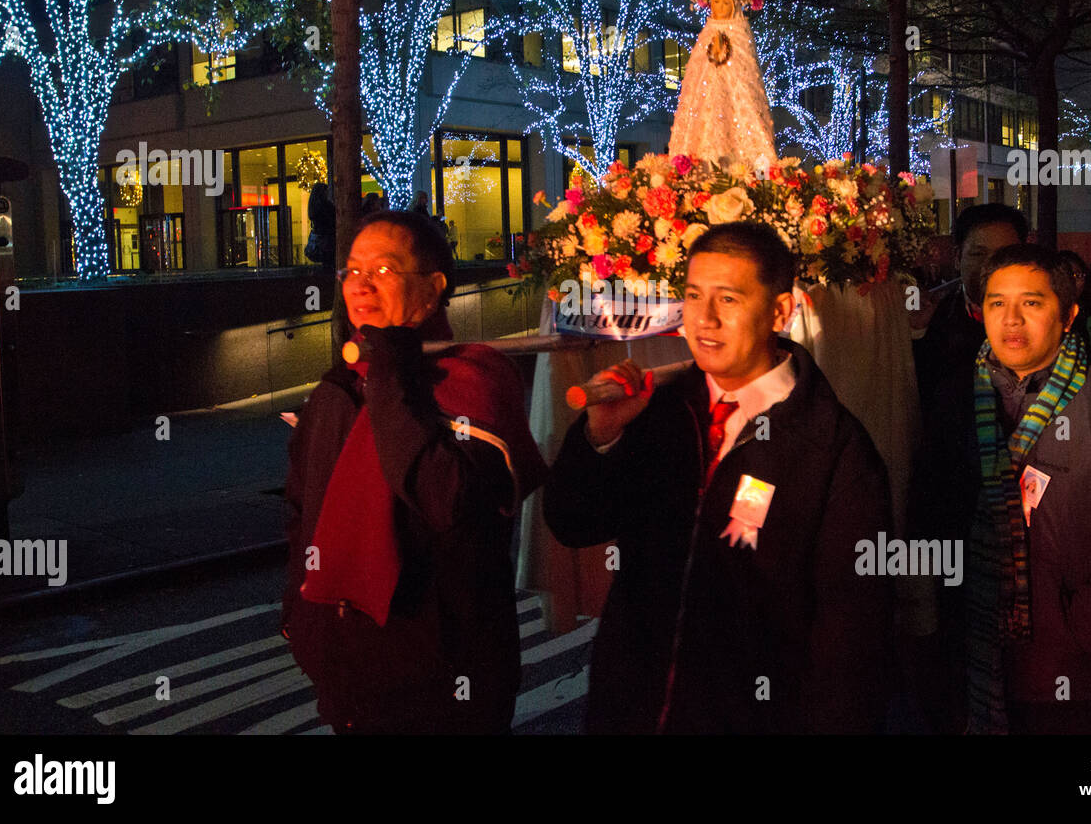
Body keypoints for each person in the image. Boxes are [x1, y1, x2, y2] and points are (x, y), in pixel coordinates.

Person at [544, 222, 893, 733]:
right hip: (631, 703)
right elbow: (573, 523)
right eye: (693, 296)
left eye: (728, 299)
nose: (704, 319)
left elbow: (850, 637)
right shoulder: (659, 410)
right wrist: (601, 435)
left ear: (780, 311)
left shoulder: (832, 446)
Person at [281, 211, 546, 733]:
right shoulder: (339, 389)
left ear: (434, 286)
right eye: (352, 271)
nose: (360, 285)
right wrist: (299, 618)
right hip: (347, 669)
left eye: (383, 270)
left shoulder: (474, 381)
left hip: (444, 675)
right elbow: (301, 512)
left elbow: (444, 499)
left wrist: (391, 372)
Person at [914, 244, 1091, 734]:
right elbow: (932, 514)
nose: (1011, 320)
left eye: (1032, 303)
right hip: (970, 658)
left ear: (1068, 315)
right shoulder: (954, 400)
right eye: (997, 303)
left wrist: (1074, 631)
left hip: (1071, 675)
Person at [912, 203, 1028, 407]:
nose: (991, 266)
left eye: (1004, 255)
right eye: (979, 254)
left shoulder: (1042, 322)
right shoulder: (932, 321)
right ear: (958, 258)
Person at [667, 0, 776, 173]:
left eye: (726, 3)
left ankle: (756, 174)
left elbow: (747, 72)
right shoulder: (706, 33)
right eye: (716, 2)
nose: (720, 7)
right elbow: (696, 73)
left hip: (736, 100)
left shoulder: (741, 33)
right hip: (706, 99)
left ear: (734, 6)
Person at [306, 182, 336, 266]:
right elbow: (332, 220)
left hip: (321, 241)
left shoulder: (313, 207)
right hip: (328, 241)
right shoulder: (326, 206)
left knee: (326, 264)